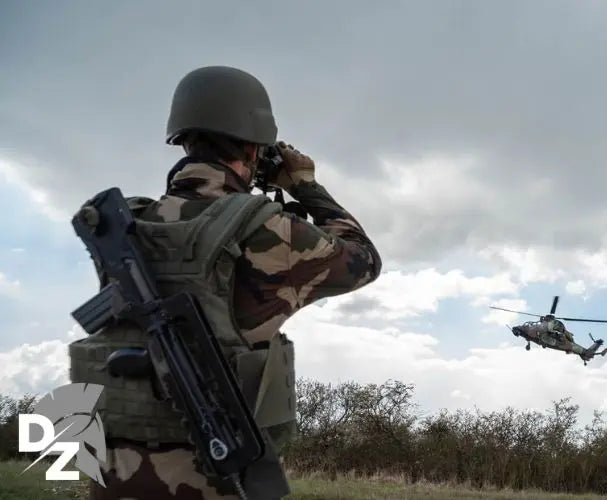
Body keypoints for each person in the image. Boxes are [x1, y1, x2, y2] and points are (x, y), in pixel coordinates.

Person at [67, 65, 381, 499]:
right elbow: (364, 261)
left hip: (112, 471)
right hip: (215, 471)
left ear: (182, 138)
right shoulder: (267, 230)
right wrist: (306, 186)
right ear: (254, 147)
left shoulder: (130, 225)